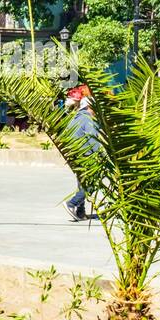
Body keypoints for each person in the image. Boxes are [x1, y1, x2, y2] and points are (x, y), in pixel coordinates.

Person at [65, 88, 99, 221]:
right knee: (90, 184)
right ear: (90, 107)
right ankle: (71, 203)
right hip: (85, 155)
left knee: (82, 183)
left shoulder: (76, 117)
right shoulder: (88, 118)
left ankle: (80, 212)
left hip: (75, 154)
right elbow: (92, 139)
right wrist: (97, 155)